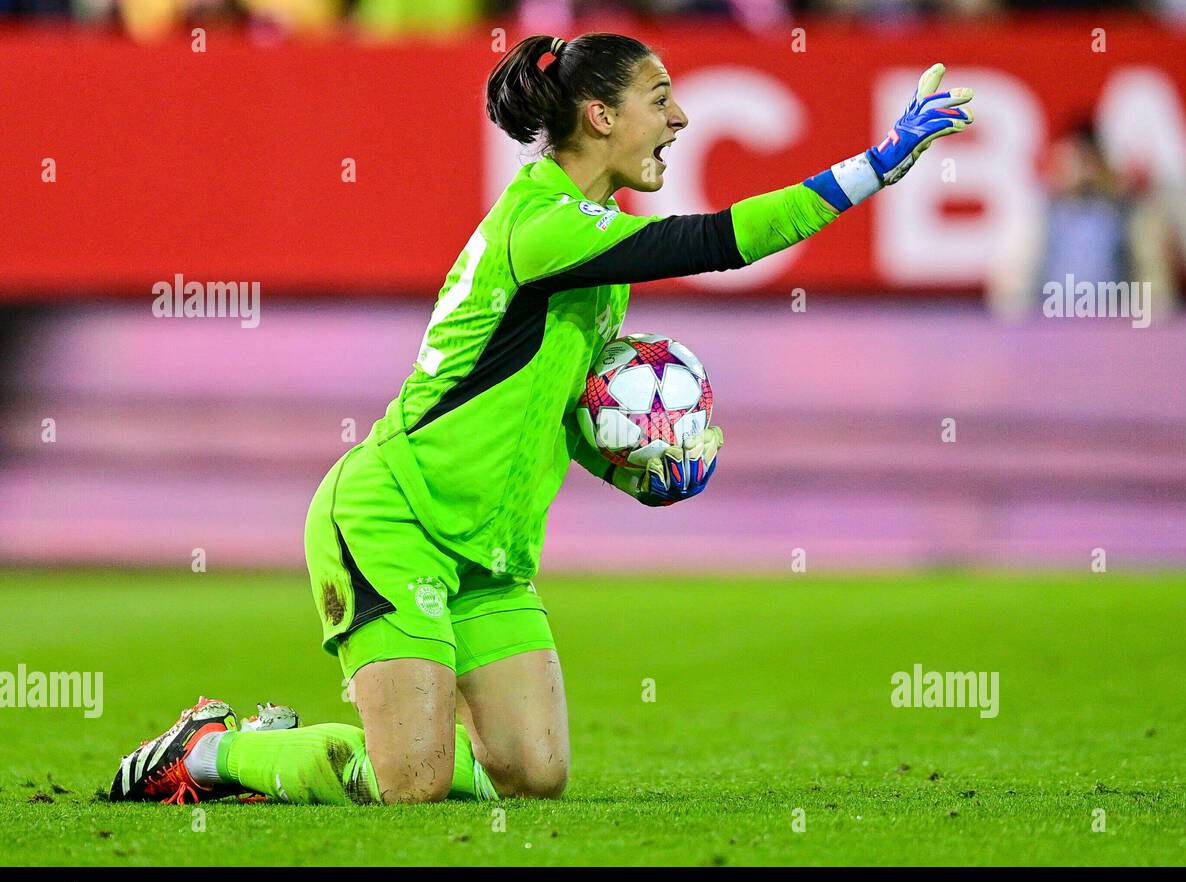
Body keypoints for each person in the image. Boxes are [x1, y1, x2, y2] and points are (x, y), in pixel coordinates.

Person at [109, 33, 973, 806]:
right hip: (393, 518)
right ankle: (218, 750)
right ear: (600, 116)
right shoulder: (545, 227)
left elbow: (560, 413)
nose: (680, 118)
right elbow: (718, 239)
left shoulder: (592, 254)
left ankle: (288, 743)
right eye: (660, 98)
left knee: (533, 776)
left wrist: (638, 464)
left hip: (491, 547)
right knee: (409, 783)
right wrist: (881, 163)